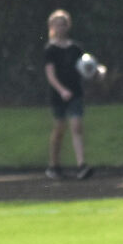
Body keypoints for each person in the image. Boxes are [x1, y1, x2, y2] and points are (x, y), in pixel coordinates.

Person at [43, 9, 97, 181]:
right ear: (52, 26)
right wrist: (61, 90)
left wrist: (99, 71)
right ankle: (53, 165)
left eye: (63, 23)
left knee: (76, 126)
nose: (61, 27)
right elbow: (50, 74)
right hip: (59, 94)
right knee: (59, 129)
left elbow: (88, 66)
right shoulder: (50, 49)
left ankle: (81, 165)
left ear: (68, 26)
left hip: (75, 92)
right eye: (57, 24)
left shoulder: (76, 48)